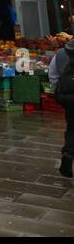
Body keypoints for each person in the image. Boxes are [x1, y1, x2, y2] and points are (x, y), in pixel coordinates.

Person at [48, 38, 74, 178]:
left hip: (67, 98)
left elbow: (53, 75)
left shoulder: (61, 53)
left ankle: (68, 154)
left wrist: (58, 91)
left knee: (72, 126)